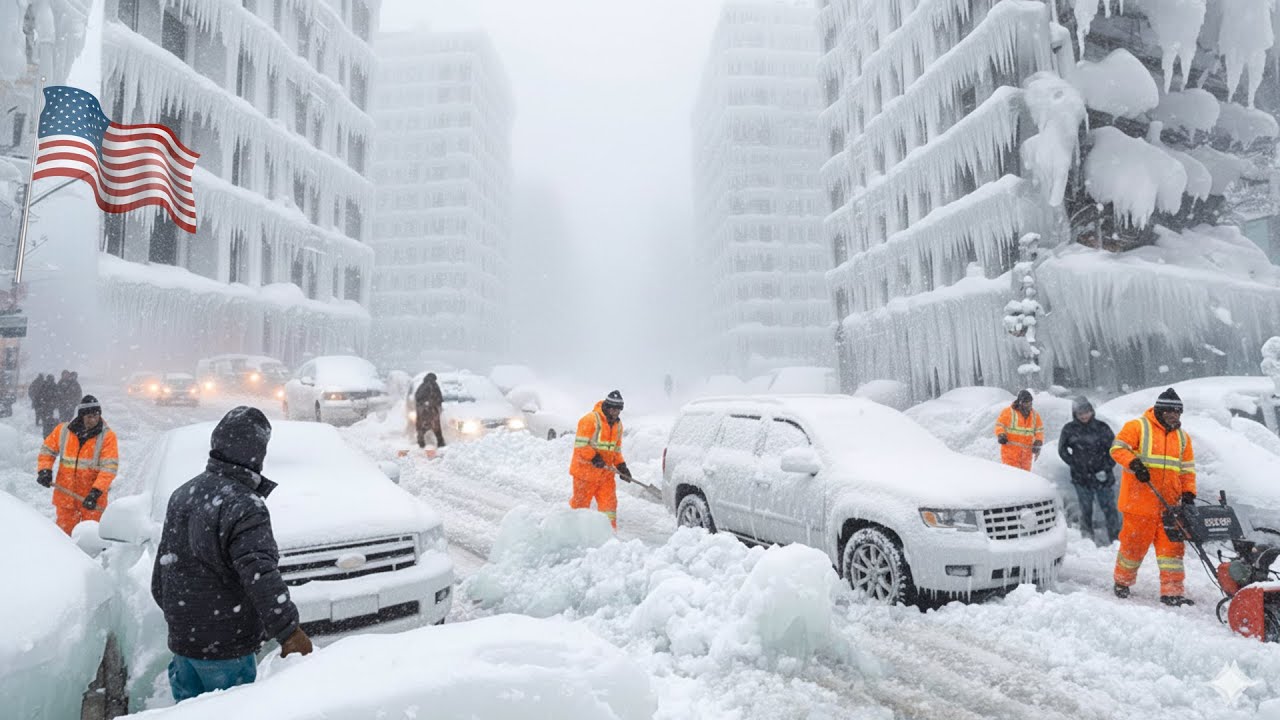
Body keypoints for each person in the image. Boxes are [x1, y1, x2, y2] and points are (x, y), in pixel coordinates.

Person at [151, 406, 313, 703]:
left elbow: (162, 574)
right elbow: (260, 575)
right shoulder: (245, 504)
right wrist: (289, 631)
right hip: (226, 647)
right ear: (256, 453)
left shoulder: (183, 494)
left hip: (184, 645)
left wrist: (184, 619)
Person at [1109, 388, 1197, 606]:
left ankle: (1172, 592)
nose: (1174, 416)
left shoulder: (1183, 438)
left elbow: (1187, 470)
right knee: (1133, 547)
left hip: (1170, 507)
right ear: (1159, 410)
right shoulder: (1137, 426)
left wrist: (1188, 494)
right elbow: (1117, 449)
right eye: (1170, 412)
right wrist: (1134, 463)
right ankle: (1122, 582)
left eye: (1178, 413)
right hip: (1139, 504)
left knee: (1172, 552)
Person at [36, 395, 119, 535]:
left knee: (92, 538)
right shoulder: (62, 431)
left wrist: (95, 492)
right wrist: (44, 470)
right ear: (81, 417)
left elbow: (109, 468)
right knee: (64, 537)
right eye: (89, 416)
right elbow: (47, 451)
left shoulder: (107, 437)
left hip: (92, 499)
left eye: (96, 415)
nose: (93, 420)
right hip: (65, 496)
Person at [1058, 397, 1120, 543]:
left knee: (1109, 508)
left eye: (1086, 412)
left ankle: (1115, 538)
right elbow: (1062, 450)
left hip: (1103, 476)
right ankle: (1087, 539)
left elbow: (1115, 449)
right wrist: (1075, 464)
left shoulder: (1102, 427)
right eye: (1080, 413)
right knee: (1086, 509)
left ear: (1092, 411)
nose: (1084, 416)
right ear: (1075, 414)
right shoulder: (1069, 429)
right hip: (1081, 477)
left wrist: (1106, 467)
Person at [570, 391, 631, 530]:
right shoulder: (589, 420)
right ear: (607, 406)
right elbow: (581, 445)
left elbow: (616, 450)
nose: (616, 412)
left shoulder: (618, 426)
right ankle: (574, 532)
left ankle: (608, 536)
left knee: (609, 508)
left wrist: (622, 466)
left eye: (619, 410)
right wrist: (594, 457)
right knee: (580, 507)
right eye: (613, 409)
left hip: (605, 476)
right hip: (585, 474)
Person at [994, 389, 1044, 471]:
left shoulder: (1035, 415)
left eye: (1030, 402)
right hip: (1010, 453)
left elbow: (1039, 430)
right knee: (1012, 477)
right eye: (1026, 403)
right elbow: (999, 425)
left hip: (1026, 455)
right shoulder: (1008, 412)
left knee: (1025, 478)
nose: (1029, 405)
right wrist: (1001, 434)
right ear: (1020, 402)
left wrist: (1038, 441)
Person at [414, 372, 445, 449]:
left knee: (421, 426)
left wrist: (421, 406)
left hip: (421, 410)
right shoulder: (433, 385)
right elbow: (439, 398)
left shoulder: (421, 386)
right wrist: (435, 405)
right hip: (430, 410)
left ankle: (421, 442)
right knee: (436, 426)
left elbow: (417, 397)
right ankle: (440, 443)